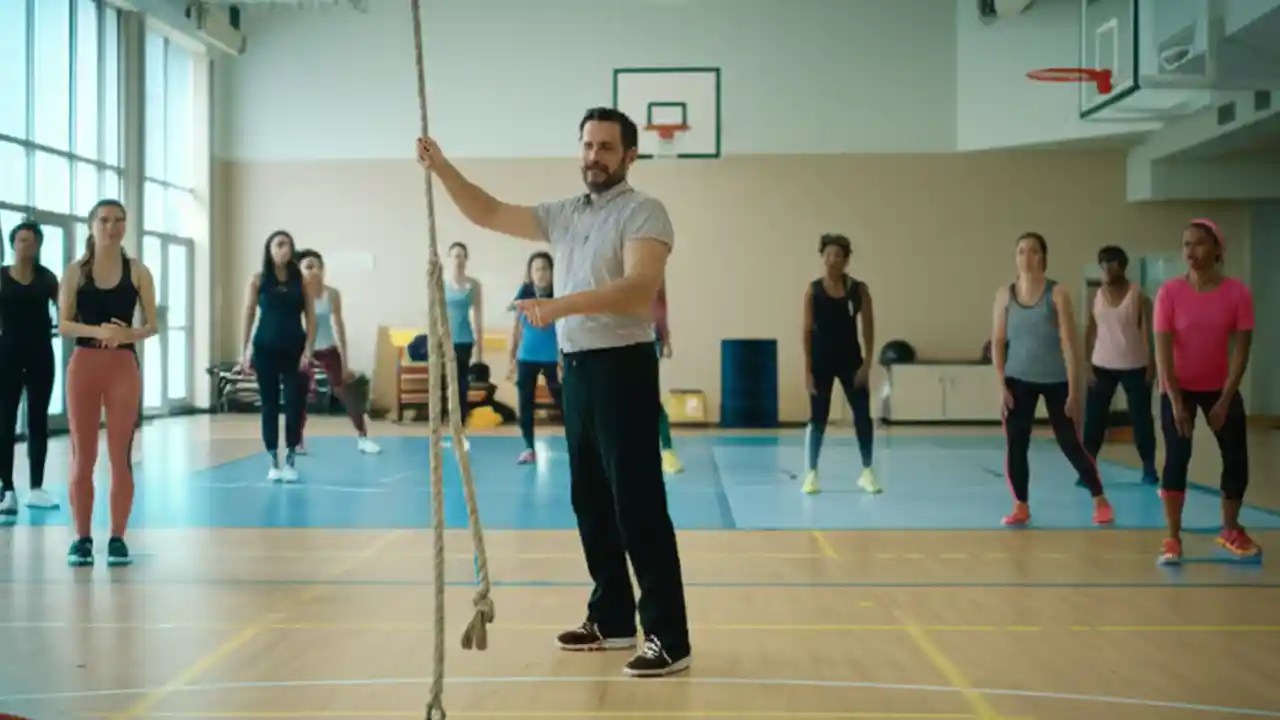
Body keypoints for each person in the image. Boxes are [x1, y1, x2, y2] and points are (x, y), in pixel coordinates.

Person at [415, 106, 691, 677]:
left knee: (636, 502)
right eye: (588, 145)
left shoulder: (645, 211)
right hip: (579, 370)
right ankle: (612, 617)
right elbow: (489, 210)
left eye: (606, 147)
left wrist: (557, 307)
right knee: (590, 499)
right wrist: (441, 168)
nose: (594, 156)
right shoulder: (565, 214)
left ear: (630, 155)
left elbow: (638, 290)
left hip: (623, 368)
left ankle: (669, 636)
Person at [56, 200, 157, 566]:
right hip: (84, 364)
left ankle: (117, 538)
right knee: (83, 456)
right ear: (91, 225)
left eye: (118, 221)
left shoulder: (138, 271)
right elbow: (63, 324)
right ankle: (82, 539)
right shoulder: (75, 272)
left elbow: (152, 324)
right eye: (104, 220)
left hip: (122, 366)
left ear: (125, 226)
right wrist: (98, 331)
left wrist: (127, 333)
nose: (111, 227)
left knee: (120, 455)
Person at [990, 232, 1114, 527]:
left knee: (1070, 442)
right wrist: (1001, 385)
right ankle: (1021, 505)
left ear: (1043, 258)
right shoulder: (1005, 295)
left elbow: (1069, 344)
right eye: (1021, 251)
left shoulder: (1057, 293)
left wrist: (1074, 391)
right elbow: (997, 341)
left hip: (1056, 380)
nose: (1026, 257)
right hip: (1018, 379)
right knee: (1017, 444)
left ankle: (1099, 498)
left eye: (1033, 251)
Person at [1153, 219, 1258, 564]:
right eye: (1186, 244)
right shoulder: (1169, 293)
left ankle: (1230, 527)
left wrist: (1226, 399)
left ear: (1216, 250)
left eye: (1199, 243)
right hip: (1177, 387)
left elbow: (1241, 351)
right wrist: (1175, 400)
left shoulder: (1237, 293)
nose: (1191, 251)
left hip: (1219, 387)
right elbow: (1163, 351)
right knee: (1177, 455)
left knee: (1236, 457)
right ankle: (1172, 537)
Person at [800, 233, 879, 495]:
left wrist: (867, 364)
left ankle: (867, 471)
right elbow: (806, 331)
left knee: (862, 415)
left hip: (851, 361)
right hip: (821, 362)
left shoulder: (859, 290)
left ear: (846, 260)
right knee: (818, 418)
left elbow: (868, 328)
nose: (832, 259)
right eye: (828, 255)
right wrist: (807, 371)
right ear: (823, 258)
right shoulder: (813, 291)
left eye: (838, 255)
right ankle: (811, 473)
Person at [239, 230, 315, 483]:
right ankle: (273, 459)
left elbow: (311, 318)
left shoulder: (301, 280)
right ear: (269, 249)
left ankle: (291, 458)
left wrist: (308, 350)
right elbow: (249, 313)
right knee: (269, 405)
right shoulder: (258, 279)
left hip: (294, 350)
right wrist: (244, 350)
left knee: (294, 404)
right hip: (265, 349)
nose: (285, 249)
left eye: (288, 245)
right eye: (279, 244)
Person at [1082, 245, 1158, 486]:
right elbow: (1090, 330)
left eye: (1111, 262)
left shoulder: (1138, 296)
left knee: (1141, 419)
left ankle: (1149, 466)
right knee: (1094, 419)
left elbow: (1150, 333)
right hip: (1101, 364)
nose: (1106, 267)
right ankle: (1087, 467)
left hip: (1134, 365)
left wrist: (1152, 365)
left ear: (1122, 266)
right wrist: (1086, 364)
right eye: (1102, 263)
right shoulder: (1097, 296)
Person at [294, 249, 381, 455]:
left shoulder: (331, 294)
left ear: (322, 269)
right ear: (300, 271)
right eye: (308, 267)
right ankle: (296, 441)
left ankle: (363, 437)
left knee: (344, 391)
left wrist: (345, 362)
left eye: (316, 266)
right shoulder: (296, 295)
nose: (313, 271)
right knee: (299, 395)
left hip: (328, 348)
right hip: (303, 350)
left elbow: (338, 326)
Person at [0, 222, 60, 516]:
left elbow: (65, 310)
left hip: (40, 354)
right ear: (13, 244)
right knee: (5, 421)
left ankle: (36, 488)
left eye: (32, 241)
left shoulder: (47, 278)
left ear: (38, 246)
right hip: (7, 355)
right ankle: (7, 489)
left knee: (38, 420)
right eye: (22, 240)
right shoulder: (1, 277)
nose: (26, 245)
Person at [507, 251, 562, 464]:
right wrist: (511, 357)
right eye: (537, 269)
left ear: (552, 272)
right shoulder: (523, 295)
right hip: (527, 356)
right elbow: (516, 328)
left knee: (563, 400)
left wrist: (563, 358)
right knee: (525, 403)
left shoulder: (559, 295)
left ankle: (581, 443)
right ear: (530, 273)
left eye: (545, 269)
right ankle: (529, 447)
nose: (541, 273)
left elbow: (566, 327)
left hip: (552, 357)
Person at [444, 242, 482, 427]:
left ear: (466, 259)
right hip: (445, 339)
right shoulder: (441, 283)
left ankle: (460, 418)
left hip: (464, 339)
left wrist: (479, 345)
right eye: (455, 256)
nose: (458, 260)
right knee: (446, 380)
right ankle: (445, 415)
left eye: (461, 256)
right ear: (449, 258)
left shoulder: (473, 284)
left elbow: (477, 314)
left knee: (461, 381)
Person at [653, 281, 683, 475]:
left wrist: (665, 338)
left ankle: (667, 450)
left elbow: (660, 302)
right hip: (621, 339)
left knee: (649, 398)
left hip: (648, 340)